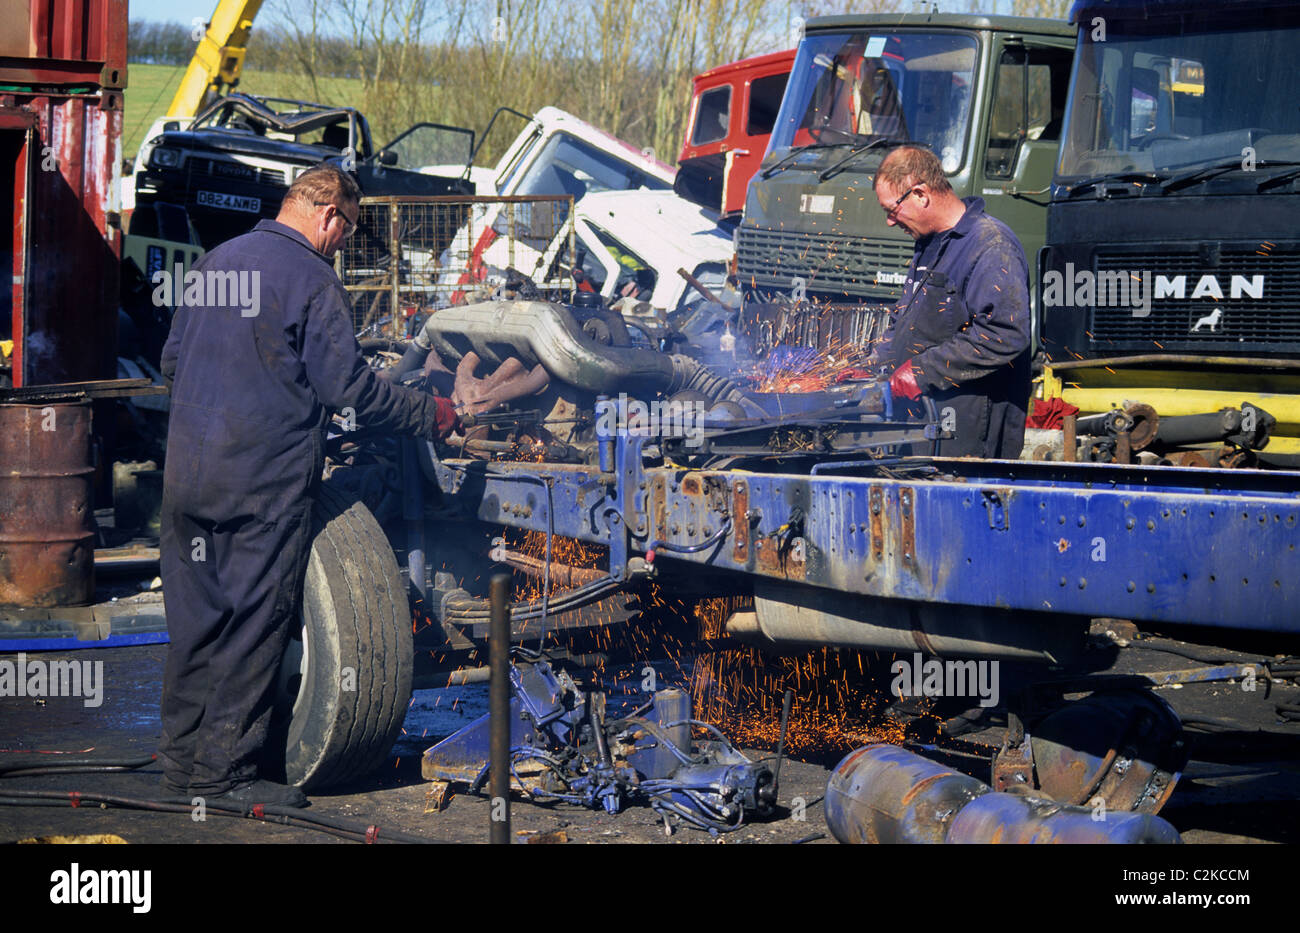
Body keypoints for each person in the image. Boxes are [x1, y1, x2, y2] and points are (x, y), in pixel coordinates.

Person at [157, 164, 458, 807]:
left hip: (186, 477)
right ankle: (224, 776)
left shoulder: (217, 262)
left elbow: (173, 362)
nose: (343, 245)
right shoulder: (313, 279)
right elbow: (347, 387)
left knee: (196, 622)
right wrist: (428, 414)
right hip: (261, 486)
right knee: (253, 622)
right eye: (347, 232)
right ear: (330, 216)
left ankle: (182, 766)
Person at [870, 145, 1031, 459]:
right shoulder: (929, 244)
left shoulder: (990, 245)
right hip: (928, 424)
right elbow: (912, 322)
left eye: (892, 209)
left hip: (968, 432)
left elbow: (1005, 334)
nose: (890, 221)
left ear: (920, 194)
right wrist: (873, 362)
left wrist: (920, 372)